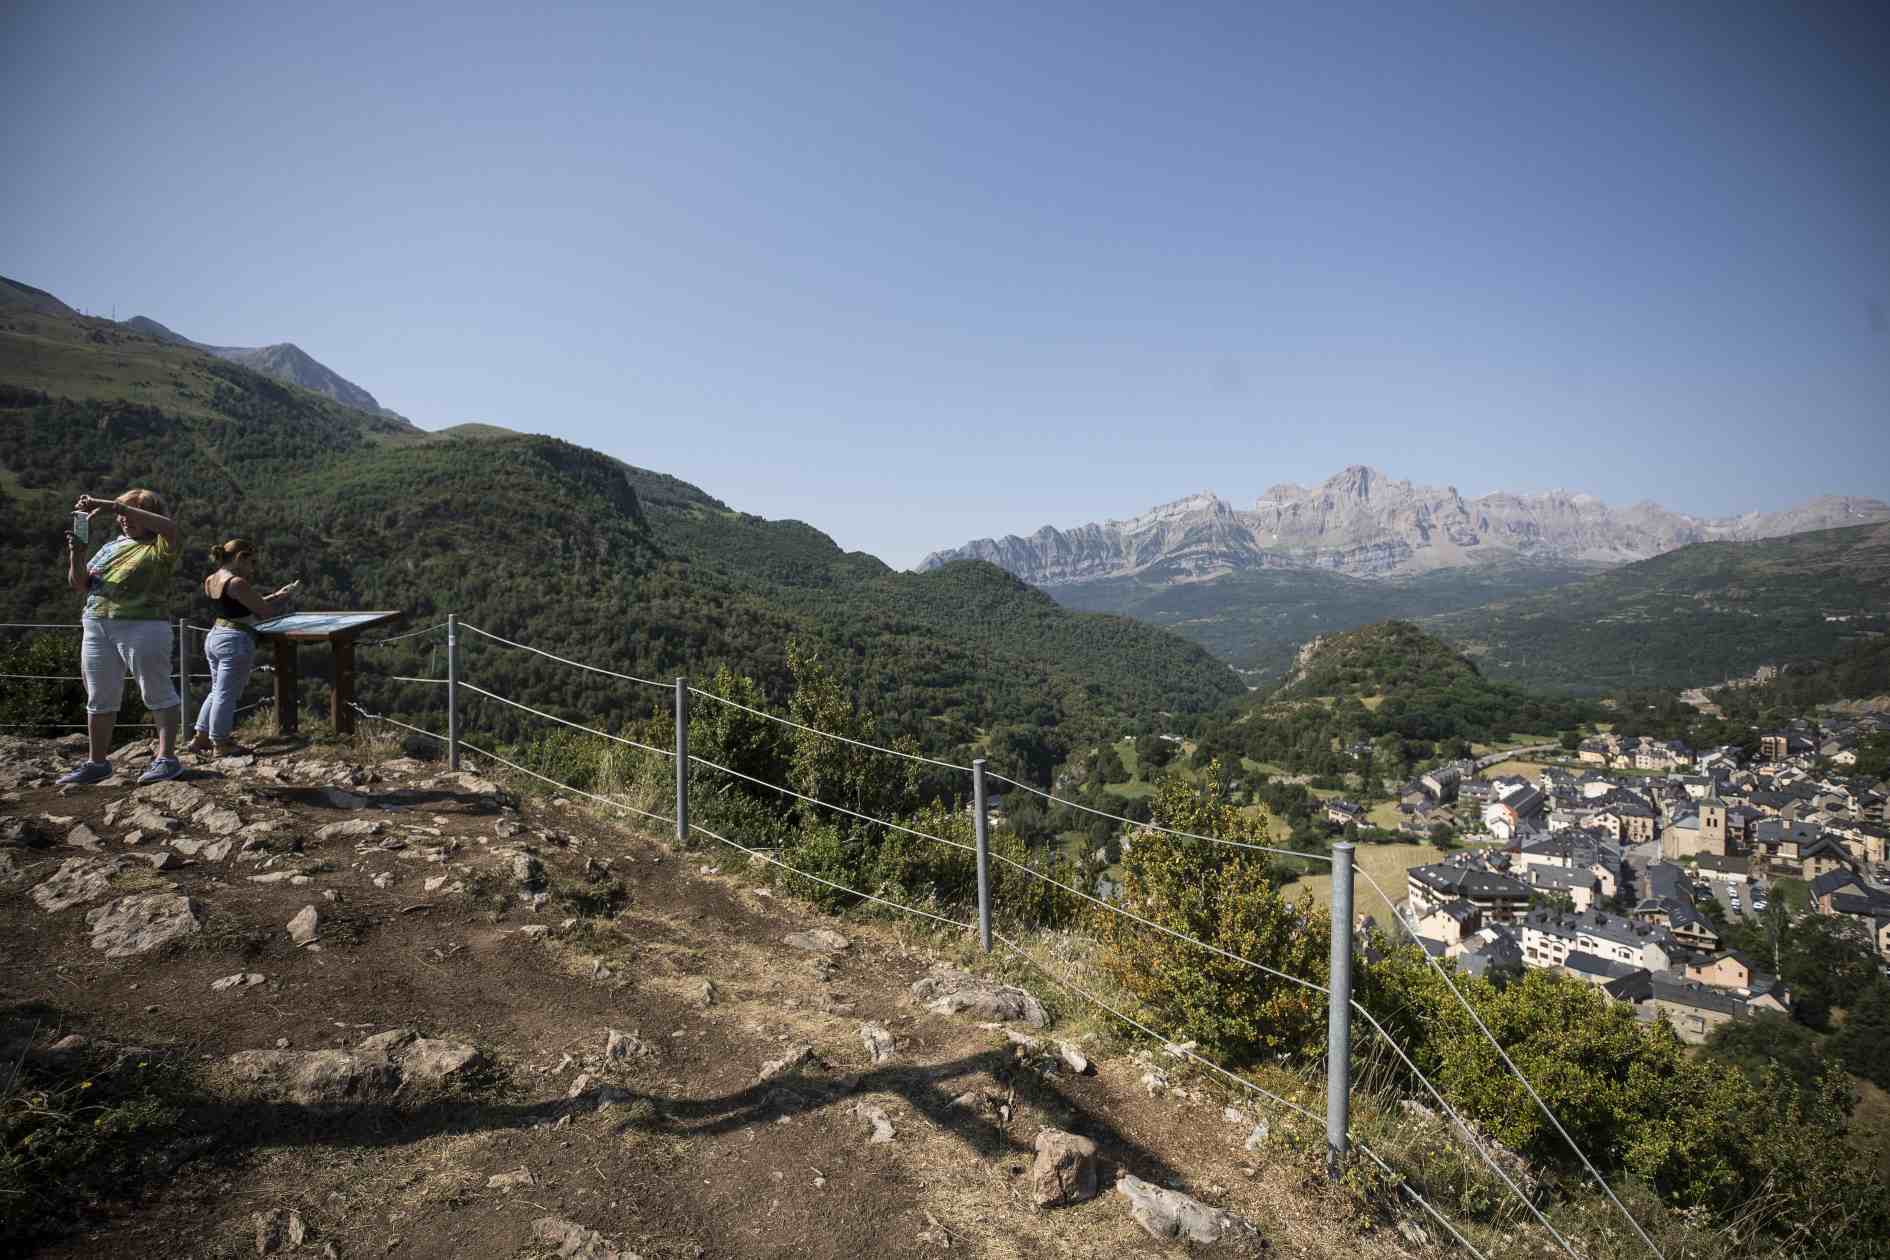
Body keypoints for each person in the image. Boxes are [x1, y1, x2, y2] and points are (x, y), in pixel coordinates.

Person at [60, 489, 184, 785]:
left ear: (148, 516)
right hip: (97, 623)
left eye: (131, 513)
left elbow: (171, 527)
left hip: (143, 625)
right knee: (99, 696)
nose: (124, 519)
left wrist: (111, 505)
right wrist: (77, 552)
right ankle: (97, 763)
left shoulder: (161, 545)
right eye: (121, 514)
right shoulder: (111, 546)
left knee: (156, 691)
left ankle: (167, 758)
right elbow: (79, 584)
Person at [186, 539, 298, 756]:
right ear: (240, 558)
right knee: (226, 694)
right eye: (252, 561)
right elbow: (263, 611)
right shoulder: (237, 582)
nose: (253, 567)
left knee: (217, 690)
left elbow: (238, 606)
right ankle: (221, 742)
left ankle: (200, 737)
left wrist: (277, 595)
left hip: (215, 635)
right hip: (235, 639)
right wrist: (278, 601)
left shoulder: (211, 579)